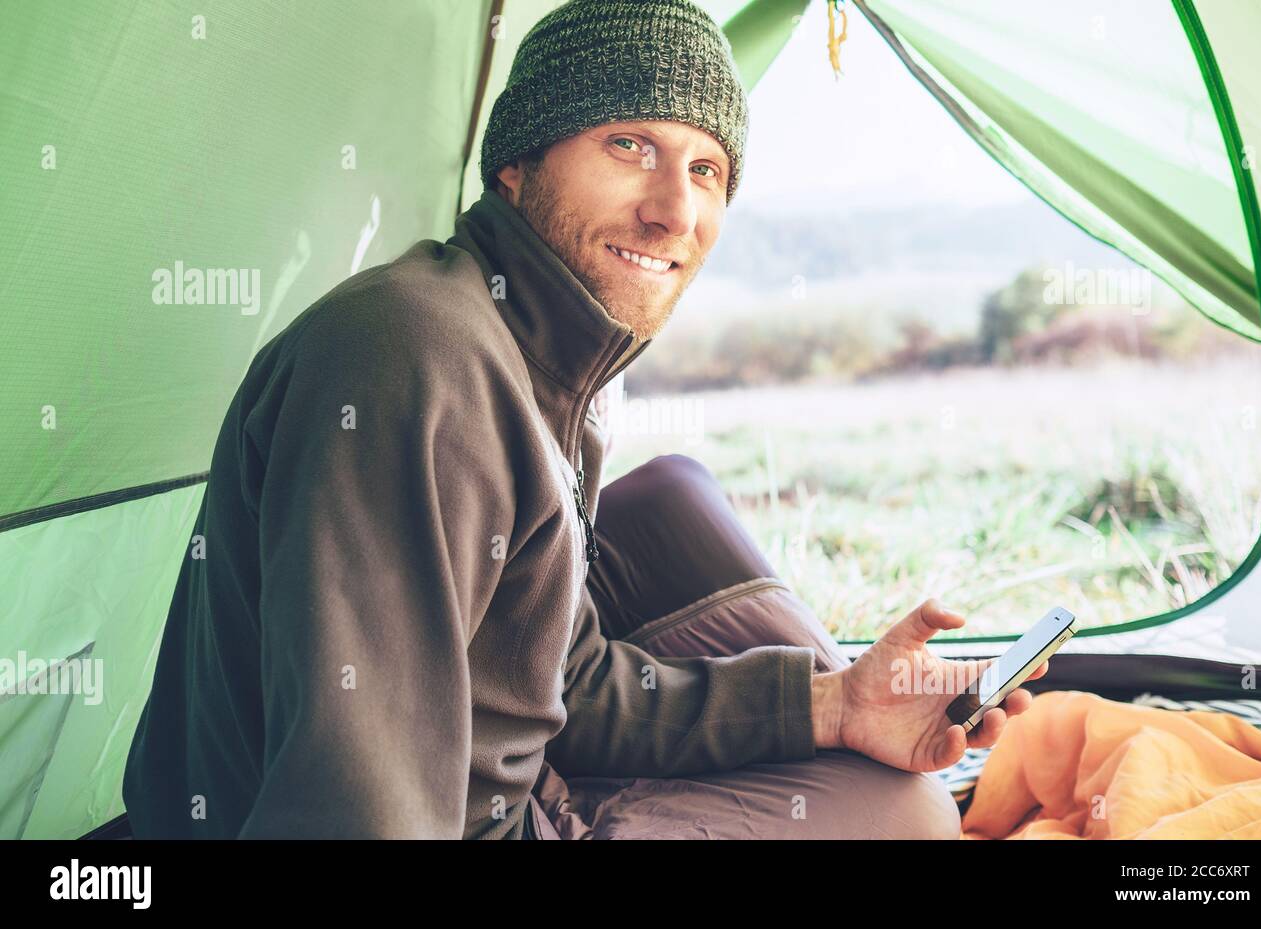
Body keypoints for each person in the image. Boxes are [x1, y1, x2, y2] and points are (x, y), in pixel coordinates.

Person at [122, 0, 1046, 841]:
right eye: (630, 146)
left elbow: (565, 683)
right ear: (517, 165)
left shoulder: (541, 363)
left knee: (680, 496)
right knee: (903, 819)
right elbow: (352, 807)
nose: (674, 210)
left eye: (706, 168)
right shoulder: (417, 355)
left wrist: (837, 705)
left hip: (517, 783)